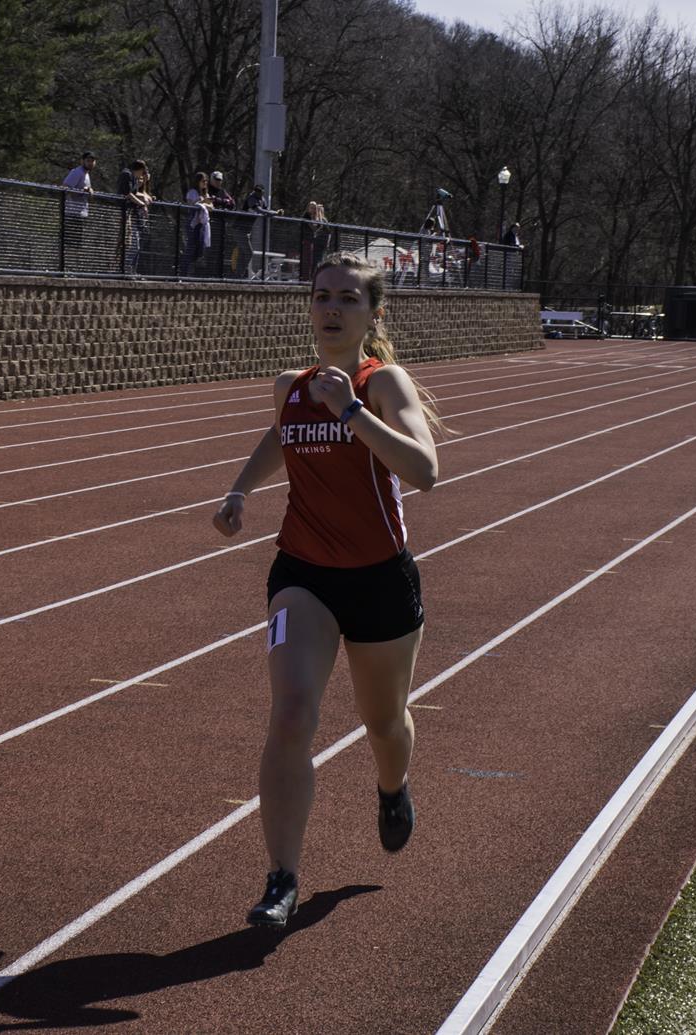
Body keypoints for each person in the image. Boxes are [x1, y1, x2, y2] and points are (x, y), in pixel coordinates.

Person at [211, 250, 442, 928]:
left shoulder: (383, 382)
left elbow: (425, 470)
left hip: (379, 578)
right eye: (322, 296)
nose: (332, 309)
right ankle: (281, 878)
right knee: (290, 715)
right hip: (303, 574)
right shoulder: (291, 385)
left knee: (384, 722)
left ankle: (393, 788)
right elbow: (281, 435)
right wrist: (238, 490)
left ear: (372, 314)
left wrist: (352, 413)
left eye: (348, 298)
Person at [116, 158, 152, 276]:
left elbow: (135, 193)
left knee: (135, 244)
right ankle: (124, 270)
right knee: (129, 244)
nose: (142, 175)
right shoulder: (126, 174)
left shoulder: (132, 177)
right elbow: (128, 194)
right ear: (139, 169)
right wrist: (142, 204)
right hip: (124, 212)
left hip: (130, 213)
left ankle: (130, 270)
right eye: (142, 172)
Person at [181, 171, 212, 275]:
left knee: (200, 249)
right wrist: (202, 202)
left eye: (206, 181)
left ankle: (191, 271)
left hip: (202, 225)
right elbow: (191, 205)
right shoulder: (192, 192)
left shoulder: (205, 194)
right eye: (203, 181)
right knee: (191, 248)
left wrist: (203, 203)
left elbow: (211, 207)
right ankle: (183, 272)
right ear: (198, 181)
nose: (205, 183)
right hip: (193, 223)